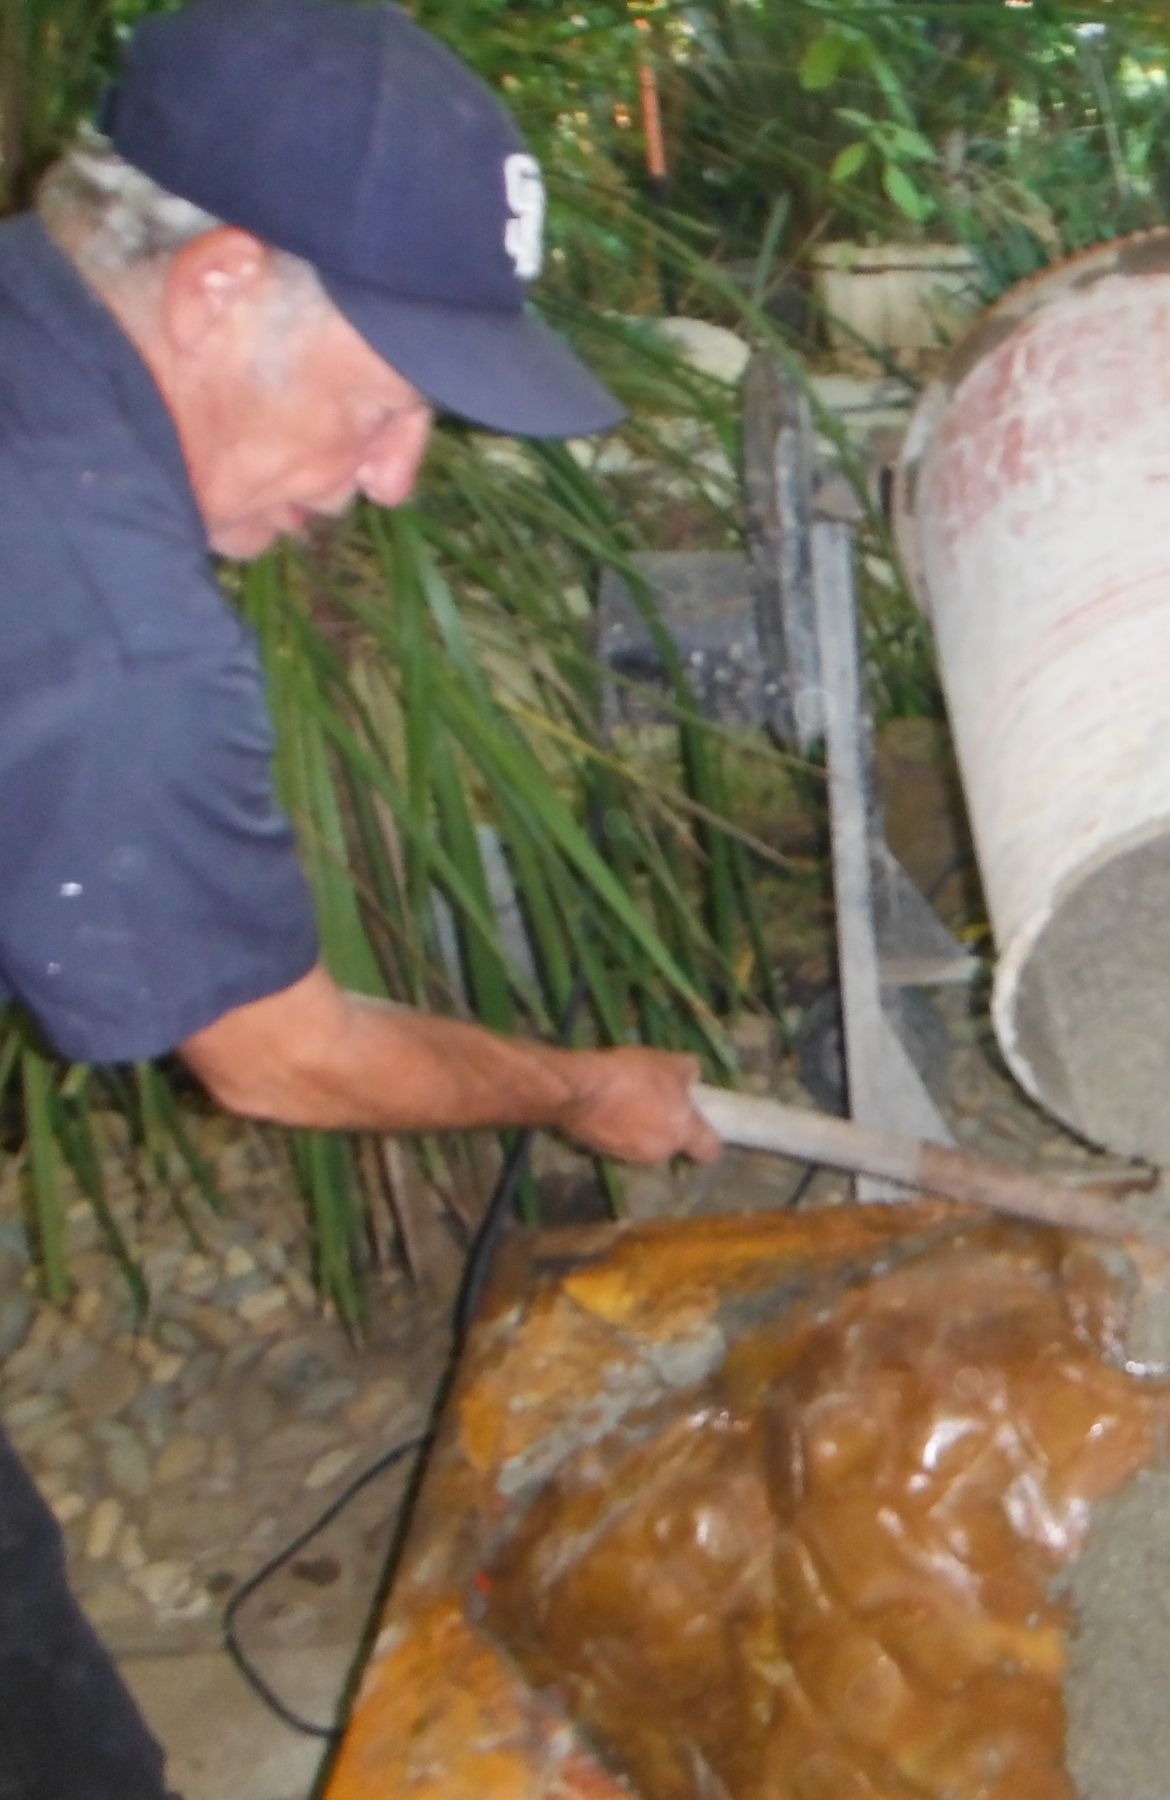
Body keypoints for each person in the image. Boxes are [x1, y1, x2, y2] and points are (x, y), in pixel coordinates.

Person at [0, 2, 719, 1792]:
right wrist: (577, 1086)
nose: (395, 478)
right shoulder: (108, 623)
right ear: (221, 283)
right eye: (389, 399)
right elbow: (283, 1059)